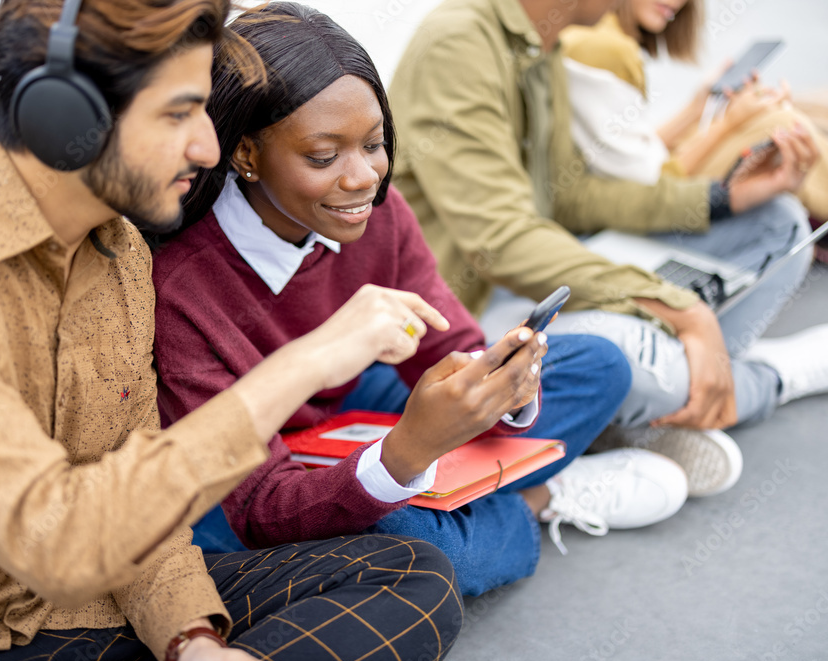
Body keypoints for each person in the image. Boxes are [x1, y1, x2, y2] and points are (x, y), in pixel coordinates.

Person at [0, 1, 466, 661]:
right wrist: (304, 364)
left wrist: (193, 640)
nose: (210, 148)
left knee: (410, 571)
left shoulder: (124, 255)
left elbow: (140, 498)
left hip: (81, 617)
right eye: (178, 113)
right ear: (65, 112)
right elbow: (57, 535)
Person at [149, 1, 690, 598]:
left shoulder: (375, 212)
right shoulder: (181, 288)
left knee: (598, 363)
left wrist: (500, 384)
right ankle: (542, 495)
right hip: (251, 482)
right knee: (416, 543)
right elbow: (261, 507)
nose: (363, 179)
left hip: (351, 409)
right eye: (323, 157)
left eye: (375, 144)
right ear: (246, 154)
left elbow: (450, 343)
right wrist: (408, 451)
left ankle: (470, 490)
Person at [387, 0, 826, 497]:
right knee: (635, 362)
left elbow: (573, 197)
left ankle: (681, 391)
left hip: (538, 274)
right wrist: (682, 311)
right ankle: (773, 374)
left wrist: (723, 198)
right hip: (469, 316)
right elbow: (502, 240)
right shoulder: (459, 42)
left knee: (779, 223)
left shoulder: (541, 42)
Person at [559, 0, 828, 222]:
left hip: (629, 182)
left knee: (795, 110)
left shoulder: (601, 38)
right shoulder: (607, 49)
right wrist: (730, 123)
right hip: (633, 202)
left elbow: (631, 148)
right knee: (783, 121)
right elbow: (654, 182)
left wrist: (698, 106)